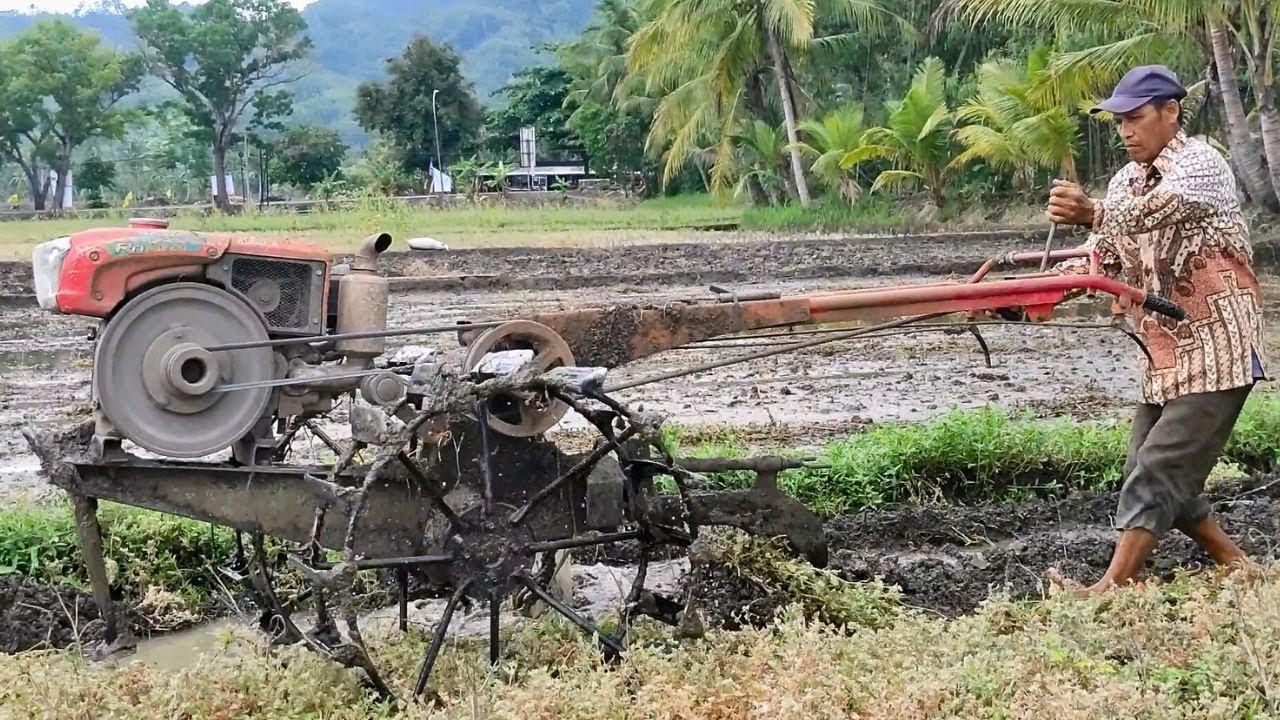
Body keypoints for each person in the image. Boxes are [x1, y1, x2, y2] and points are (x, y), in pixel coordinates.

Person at [1043, 65, 1267, 596]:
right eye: (1119, 120)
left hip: (1220, 348)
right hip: (1165, 354)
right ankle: (1236, 563)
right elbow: (1107, 258)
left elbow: (1155, 212)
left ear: (1171, 112)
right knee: (1154, 469)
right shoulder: (1124, 180)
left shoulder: (1200, 165)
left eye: (1136, 118)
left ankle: (1109, 590)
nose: (1126, 131)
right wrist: (1033, 291)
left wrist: (1094, 211)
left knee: (1159, 469)